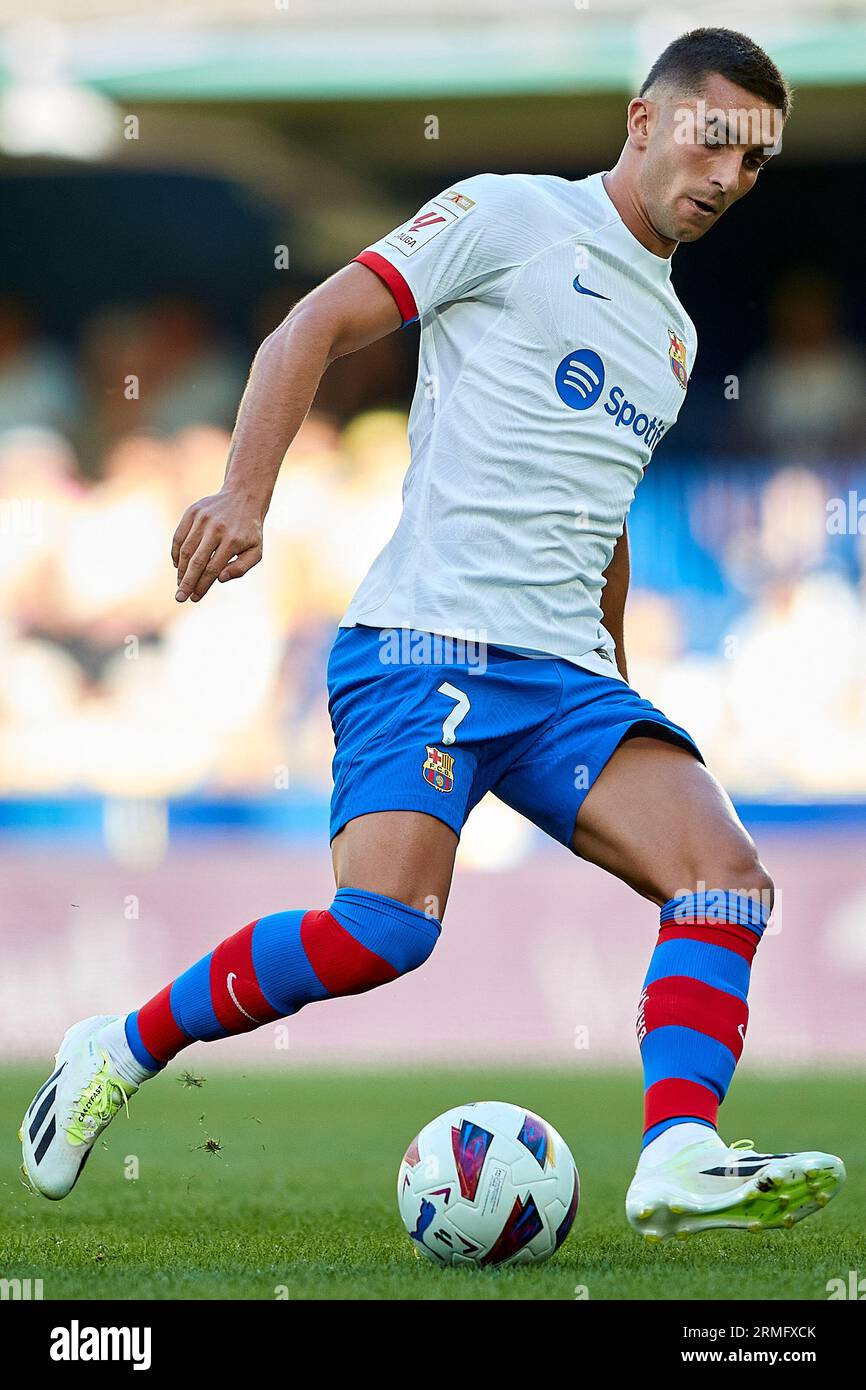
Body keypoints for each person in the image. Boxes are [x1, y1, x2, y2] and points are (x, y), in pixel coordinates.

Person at [22, 27, 844, 1244]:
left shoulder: (670, 341)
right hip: (430, 643)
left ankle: (677, 1149)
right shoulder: (506, 216)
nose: (728, 176)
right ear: (642, 121)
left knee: (722, 882)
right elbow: (308, 325)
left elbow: (603, 511)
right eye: (712, 137)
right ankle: (120, 1045)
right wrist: (245, 494)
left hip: (564, 675)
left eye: (755, 162)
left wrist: (614, 674)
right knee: (384, 932)